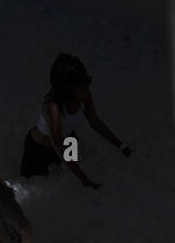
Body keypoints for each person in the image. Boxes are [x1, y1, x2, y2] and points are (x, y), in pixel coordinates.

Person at [19, 53, 132, 187]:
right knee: (34, 184)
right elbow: (58, 145)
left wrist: (121, 146)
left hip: (69, 140)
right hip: (39, 149)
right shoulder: (53, 106)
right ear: (66, 90)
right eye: (79, 89)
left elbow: (96, 123)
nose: (84, 92)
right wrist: (85, 180)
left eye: (85, 86)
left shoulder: (85, 95)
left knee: (67, 173)